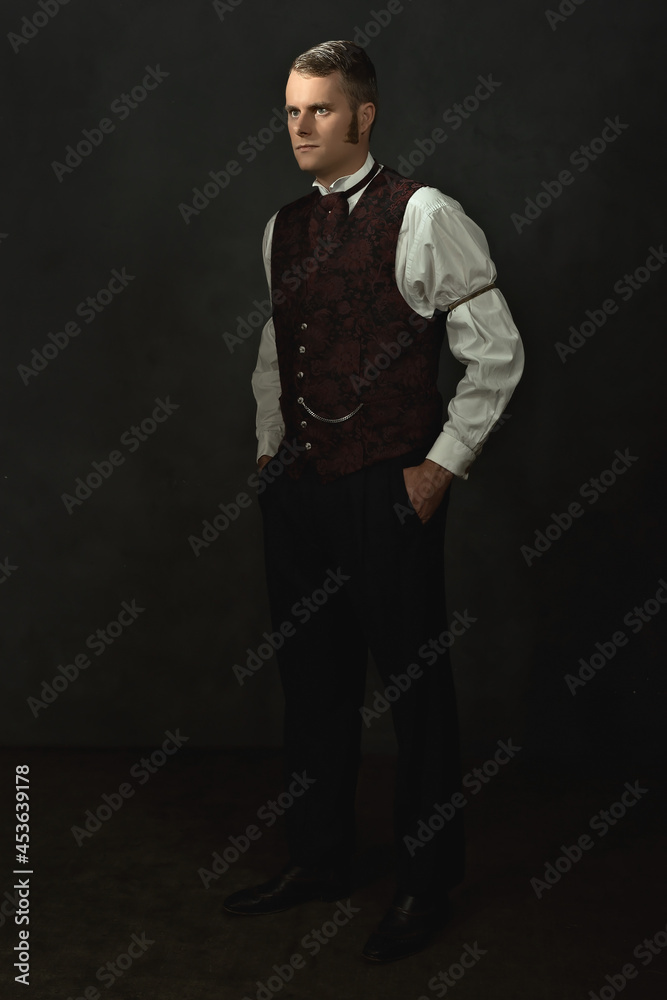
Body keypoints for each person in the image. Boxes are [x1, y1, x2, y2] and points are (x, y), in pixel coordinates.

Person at [223, 39, 524, 963]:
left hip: (389, 488)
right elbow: (278, 357)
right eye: (289, 111)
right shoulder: (282, 227)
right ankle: (318, 859)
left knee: (415, 692)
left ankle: (426, 884)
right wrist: (270, 454)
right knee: (312, 687)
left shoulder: (423, 214)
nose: (299, 127)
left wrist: (438, 468)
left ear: (363, 115)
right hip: (301, 492)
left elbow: (496, 351)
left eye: (318, 109)